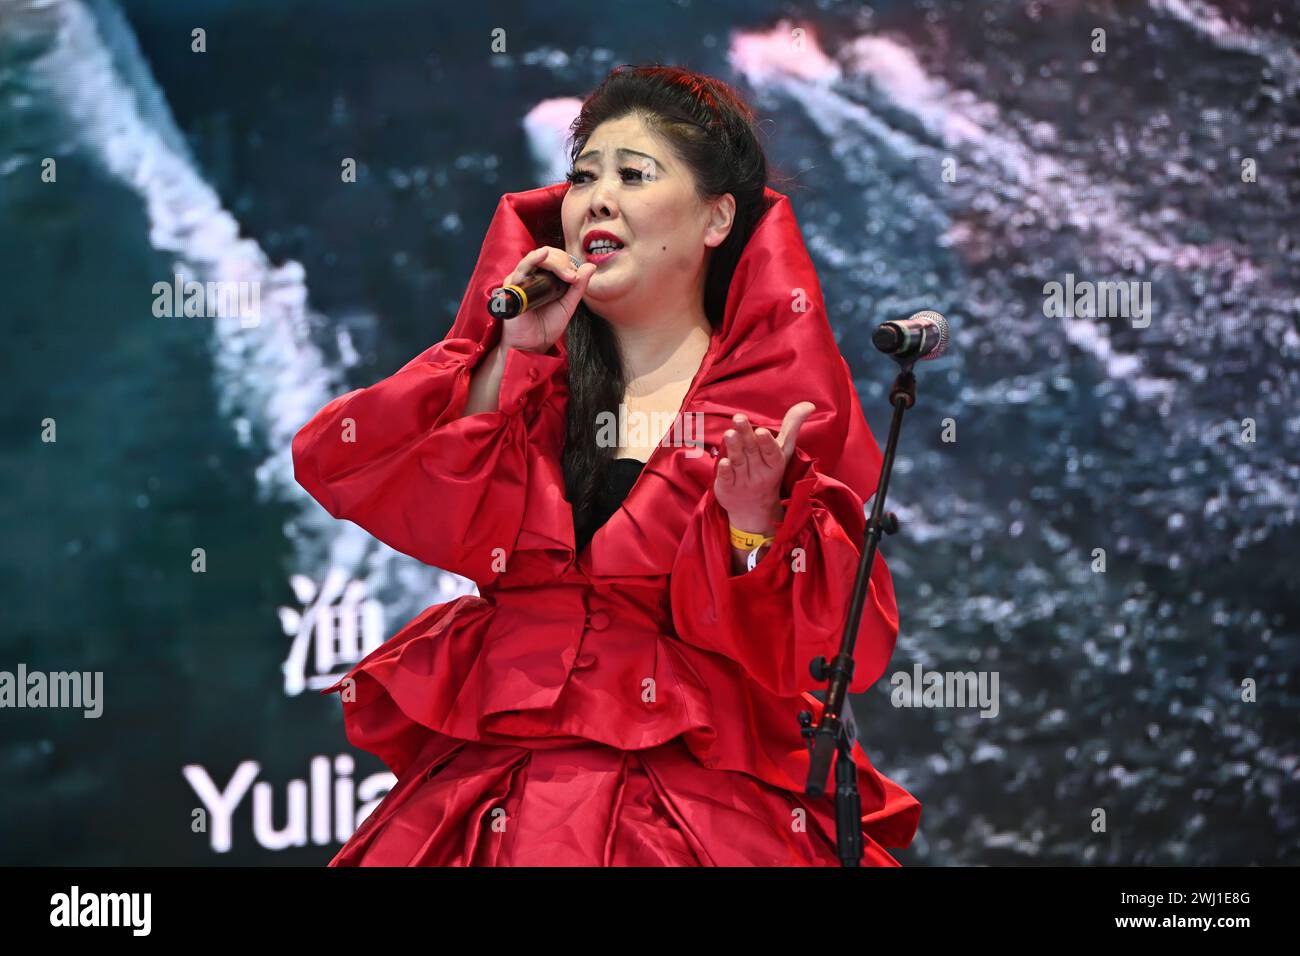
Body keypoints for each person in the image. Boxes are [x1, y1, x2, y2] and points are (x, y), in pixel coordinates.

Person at [291, 63, 921, 866]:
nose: (597, 199)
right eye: (584, 176)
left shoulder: (769, 406)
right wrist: (507, 358)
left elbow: (833, 647)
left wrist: (751, 527)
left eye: (634, 175)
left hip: (692, 807)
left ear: (718, 217)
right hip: (500, 788)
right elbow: (363, 470)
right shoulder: (532, 378)